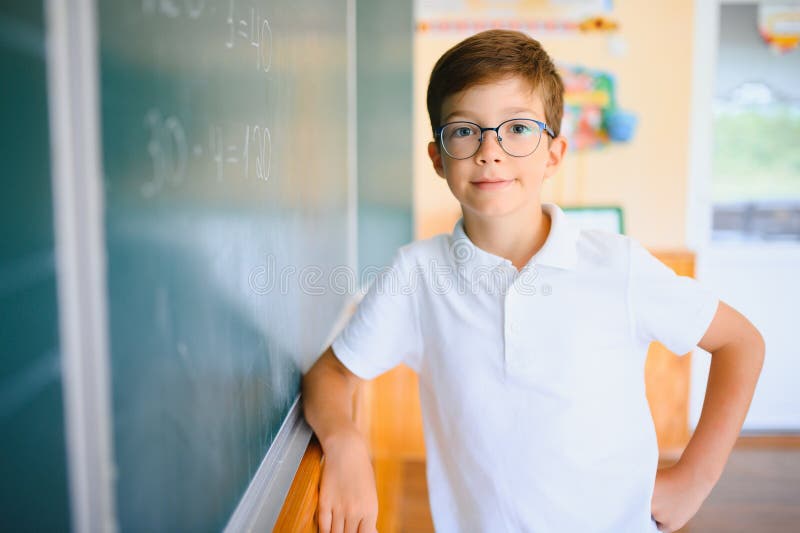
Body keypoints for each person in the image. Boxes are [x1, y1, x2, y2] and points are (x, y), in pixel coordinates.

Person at [301, 29, 765, 533]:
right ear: (438, 158)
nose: (489, 150)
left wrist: (694, 478)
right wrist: (346, 444)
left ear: (555, 154)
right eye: (463, 130)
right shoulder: (418, 276)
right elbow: (330, 374)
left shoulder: (618, 265)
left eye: (518, 128)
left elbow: (741, 342)